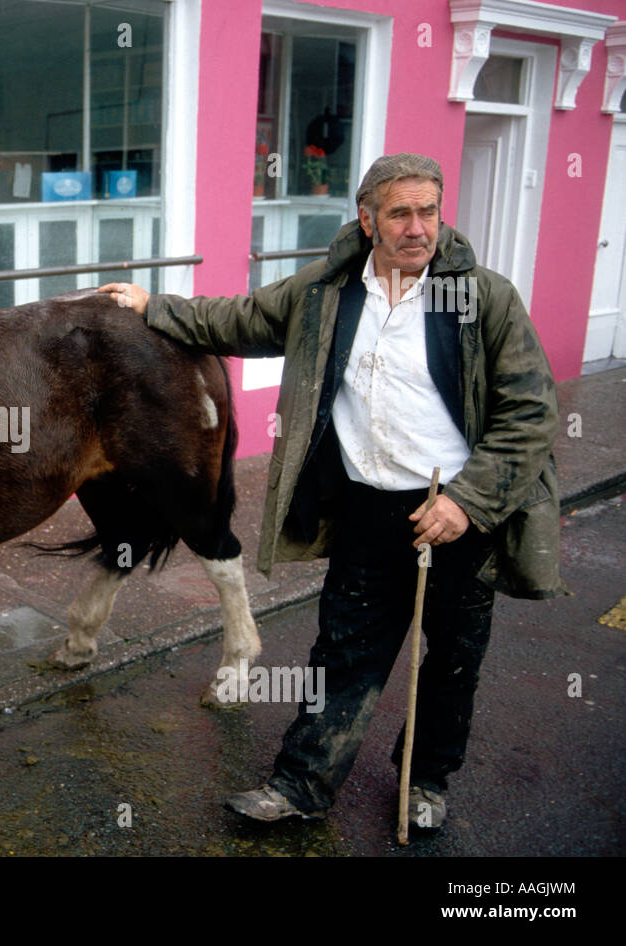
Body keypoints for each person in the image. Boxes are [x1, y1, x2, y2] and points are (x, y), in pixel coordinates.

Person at [99, 152, 566, 828]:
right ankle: (300, 786)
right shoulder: (329, 290)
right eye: (400, 213)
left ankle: (426, 781)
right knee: (342, 651)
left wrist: (468, 502)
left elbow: (531, 412)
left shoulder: (482, 297)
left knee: (452, 662)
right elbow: (242, 320)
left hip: (461, 511)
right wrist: (157, 307)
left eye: (428, 212)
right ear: (367, 218)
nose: (417, 227)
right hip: (369, 508)